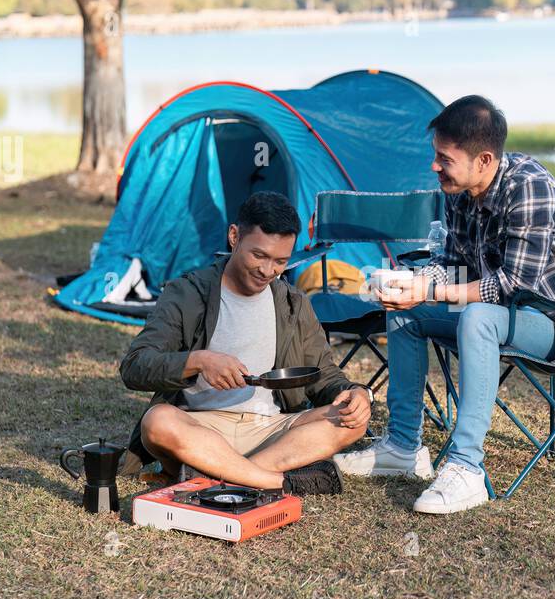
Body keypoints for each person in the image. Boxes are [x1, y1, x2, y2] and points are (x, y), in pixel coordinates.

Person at [335, 95, 555, 513]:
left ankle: (466, 468)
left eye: (444, 159)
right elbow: (451, 265)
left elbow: (515, 284)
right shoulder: (458, 190)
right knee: (406, 310)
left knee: (480, 316)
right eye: (436, 155)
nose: (434, 167)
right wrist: (413, 285)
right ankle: (403, 446)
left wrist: (437, 291)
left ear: (484, 160)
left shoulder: (529, 187)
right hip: (505, 316)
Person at [119, 191, 372, 496]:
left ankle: (218, 475)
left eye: (281, 261)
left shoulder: (292, 303)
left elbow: (325, 377)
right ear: (234, 236)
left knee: (352, 421)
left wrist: (354, 393)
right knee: (157, 422)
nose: (268, 271)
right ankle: (276, 482)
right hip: (200, 428)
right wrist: (198, 361)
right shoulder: (187, 294)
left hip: (271, 428)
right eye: (259, 255)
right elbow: (135, 366)